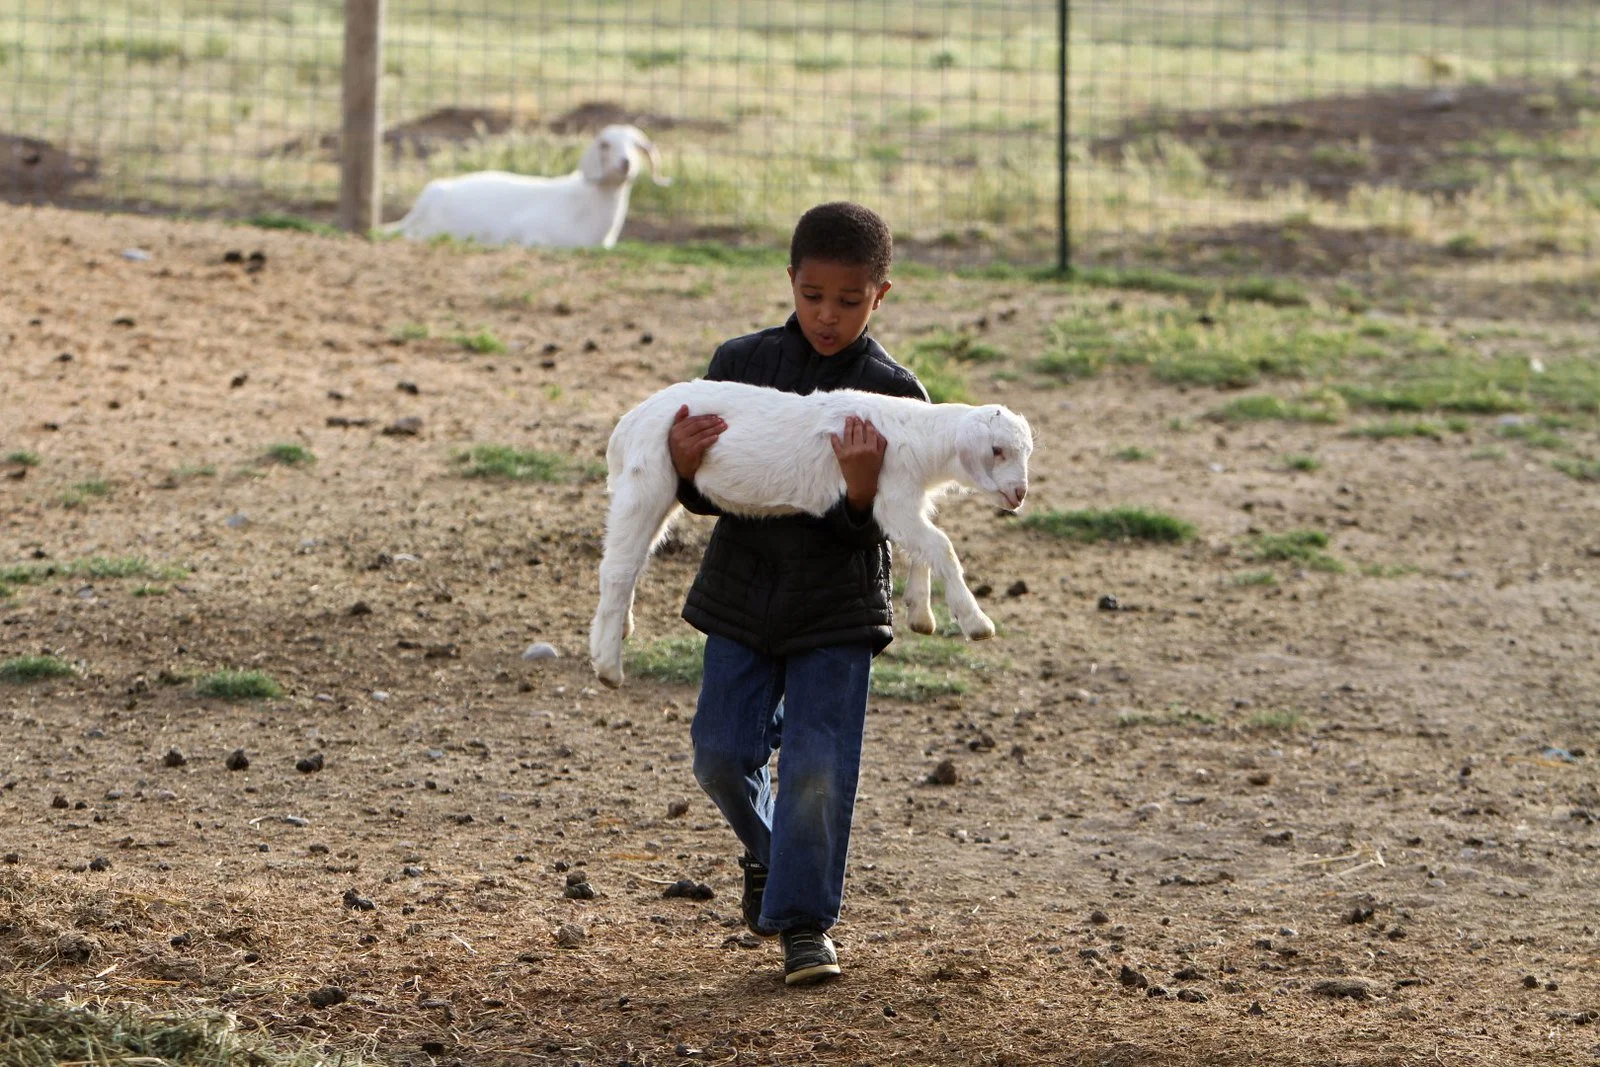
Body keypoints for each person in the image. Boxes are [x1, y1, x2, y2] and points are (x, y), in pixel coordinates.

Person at [667, 201, 928, 986]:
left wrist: (860, 492)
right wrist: (685, 470)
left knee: (817, 769)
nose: (827, 315)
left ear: (881, 296)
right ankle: (773, 854)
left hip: (837, 610)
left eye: (849, 301)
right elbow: (715, 492)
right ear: (790, 280)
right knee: (720, 753)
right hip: (742, 598)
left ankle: (804, 924)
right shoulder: (740, 363)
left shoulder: (895, 395)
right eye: (813, 295)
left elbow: (892, 522)